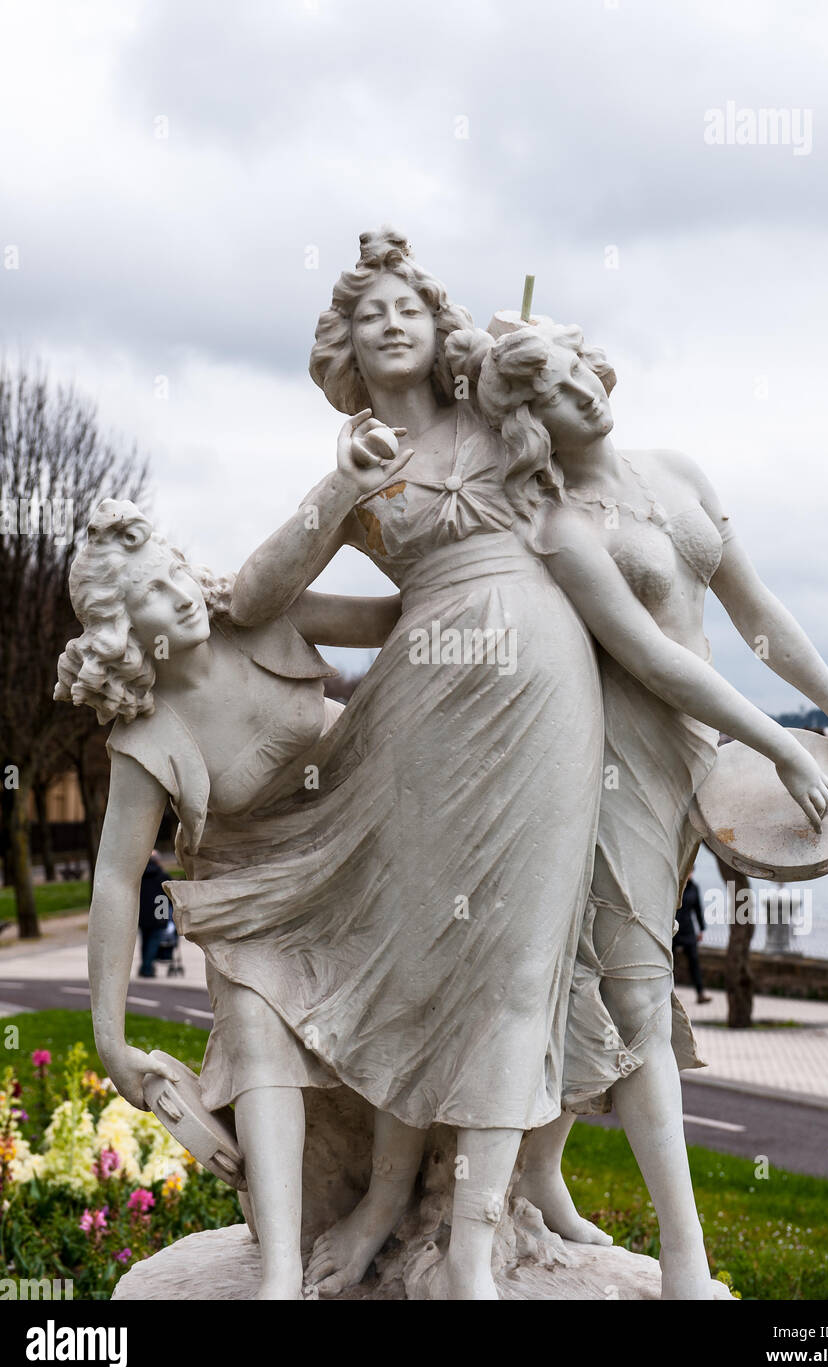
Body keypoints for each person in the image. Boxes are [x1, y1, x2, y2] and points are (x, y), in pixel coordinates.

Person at [184, 228, 613, 1300]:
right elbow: (254, 597)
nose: (390, 321)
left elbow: (597, 410)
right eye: (367, 312)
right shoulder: (361, 467)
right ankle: (383, 1202)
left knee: (518, 964)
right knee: (417, 966)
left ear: (437, 323)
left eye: (408, 306)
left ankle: (472, 1238)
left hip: (548, 700)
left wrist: (542, 361)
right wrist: (338, 497)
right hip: (420, 721)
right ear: (344, 348)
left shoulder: (495, 414)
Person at [445, 317, 828, 1298]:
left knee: (586, 980)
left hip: (700, 763)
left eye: (571, 370)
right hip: (611, 770)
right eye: (547, 392)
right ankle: (687, 1268)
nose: (577, 393)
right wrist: (777, 741)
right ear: (526, 425)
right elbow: (652, 658)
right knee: (634, 990)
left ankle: (543, 1176)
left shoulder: (675, 471)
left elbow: (754, 616)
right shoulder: (557, 524)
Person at [55, 493, 403, 1300]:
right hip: (261, 895)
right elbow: (115, 879)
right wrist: (111, 1042)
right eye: (149, 592)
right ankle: (281, 1270)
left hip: (372, 844)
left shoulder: (259, 615)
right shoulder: (149, 739)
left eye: (171, 568)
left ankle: (449, 1198)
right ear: (123, 631)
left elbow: (397, 619)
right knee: (252, 1019)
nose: (177, 591)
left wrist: (379, 515)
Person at [673, 872, 710, 1004]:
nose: (689, 873)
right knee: (670, 963)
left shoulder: (694, 887)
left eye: (691, 871)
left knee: (694, 962)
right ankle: (669, 994)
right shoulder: (675, 885)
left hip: (688, 931)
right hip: (673, 929)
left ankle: (700, 994)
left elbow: (698, 909)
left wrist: (701, 929)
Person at [136, 852, 170, 978]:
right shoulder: (162, 876)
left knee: (144, 941)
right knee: (153, 941)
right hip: (159, 913)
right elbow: (170, 896)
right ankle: (147, 968)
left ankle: (144, 965)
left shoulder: (139, 877)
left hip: (142, 914)